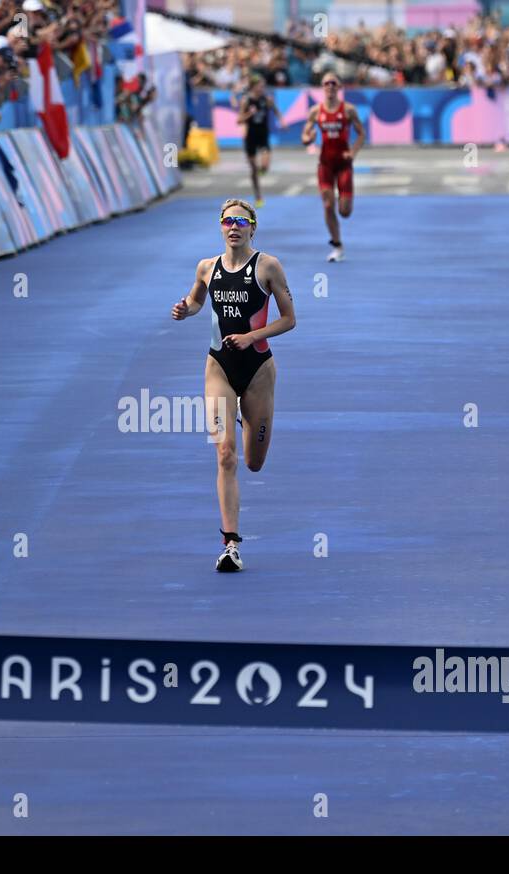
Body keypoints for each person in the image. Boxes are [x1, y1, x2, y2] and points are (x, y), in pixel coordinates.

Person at [171, 199, 296, 573]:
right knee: (225, 454)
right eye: (228, 221)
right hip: (219, 368)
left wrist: (250, 336)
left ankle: (248, 418)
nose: (234, 227)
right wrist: (184, 310)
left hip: (258, 369)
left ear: (252, 228)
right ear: (221, 227)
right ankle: (230, 545)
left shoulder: (268, 266)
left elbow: (290, 320)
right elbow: (195, 302)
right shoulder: (207, 268)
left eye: (241, 220)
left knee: (254, 463)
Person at [300, 71, 363, 262]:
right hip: (325, 164)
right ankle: (337, 245)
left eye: (333, 83)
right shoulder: (316, 111)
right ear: (322, 87)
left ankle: (339, 231)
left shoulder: (348, 110)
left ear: (339, 87)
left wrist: (353, 152)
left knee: (344, 211)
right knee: (328, 205)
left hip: (344, 164)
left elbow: (361, 133)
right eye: (326, 83)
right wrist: (308, 139)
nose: (330, 86)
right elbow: (305, 134)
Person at [237, 75, 272, 208]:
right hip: (250, 136)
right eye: (260, 86)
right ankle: (258, 196)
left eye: (263, 86)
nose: (262, 88)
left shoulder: (266, 99)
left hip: (263, 135)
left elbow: (274, 109)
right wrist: (249, 114)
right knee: (253, 169)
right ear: (253, 87)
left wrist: (282, 120)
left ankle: (262, 170)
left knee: (265, 164)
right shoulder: (246, 101)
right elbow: (239, 120)